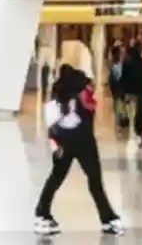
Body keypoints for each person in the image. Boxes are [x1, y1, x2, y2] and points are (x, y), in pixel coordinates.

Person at [34, 65, 125, 236]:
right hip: (85, 143)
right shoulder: (84, 97)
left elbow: (52, 129)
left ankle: (41, 213)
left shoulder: (56, 102)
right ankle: (108, 219)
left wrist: (56, 149)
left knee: (55, 179)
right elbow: (90, 113)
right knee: (95, 181)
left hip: (64, 144)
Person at [121, 42, 142, 148]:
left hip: (130, 91)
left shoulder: (127, 62)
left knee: (131, 111)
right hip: (141, 91)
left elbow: (124, 77)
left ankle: (129, 127)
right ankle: (139, 130)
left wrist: (123, 91)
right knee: (140, 112)